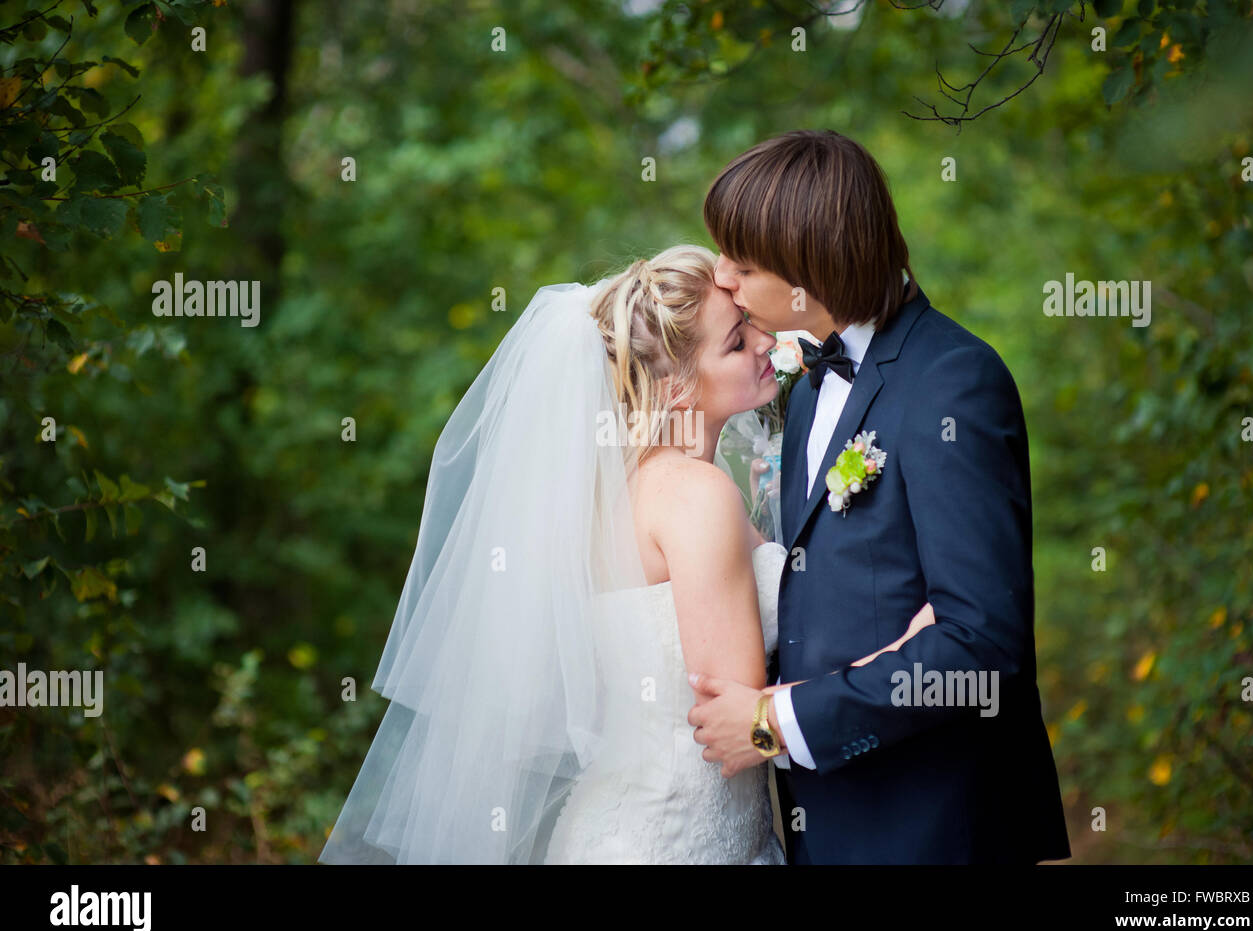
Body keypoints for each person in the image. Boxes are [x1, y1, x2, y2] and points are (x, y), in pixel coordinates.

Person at [318, 243, 932, 864]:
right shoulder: (694, 495)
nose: (765, 342)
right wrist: (906, 651)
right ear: (673, 388)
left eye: (748, 325)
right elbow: (738, 720)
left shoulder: (615, 494)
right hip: (673, 839)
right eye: (735, 342)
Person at [687, 129, 1072, 864]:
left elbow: (979, 645)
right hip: (821, 821)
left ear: (809, 266)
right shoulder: (804, 391)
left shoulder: (951, 382)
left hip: (930, 825)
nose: (723, 278)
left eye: (742, 262)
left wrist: (776, 719)